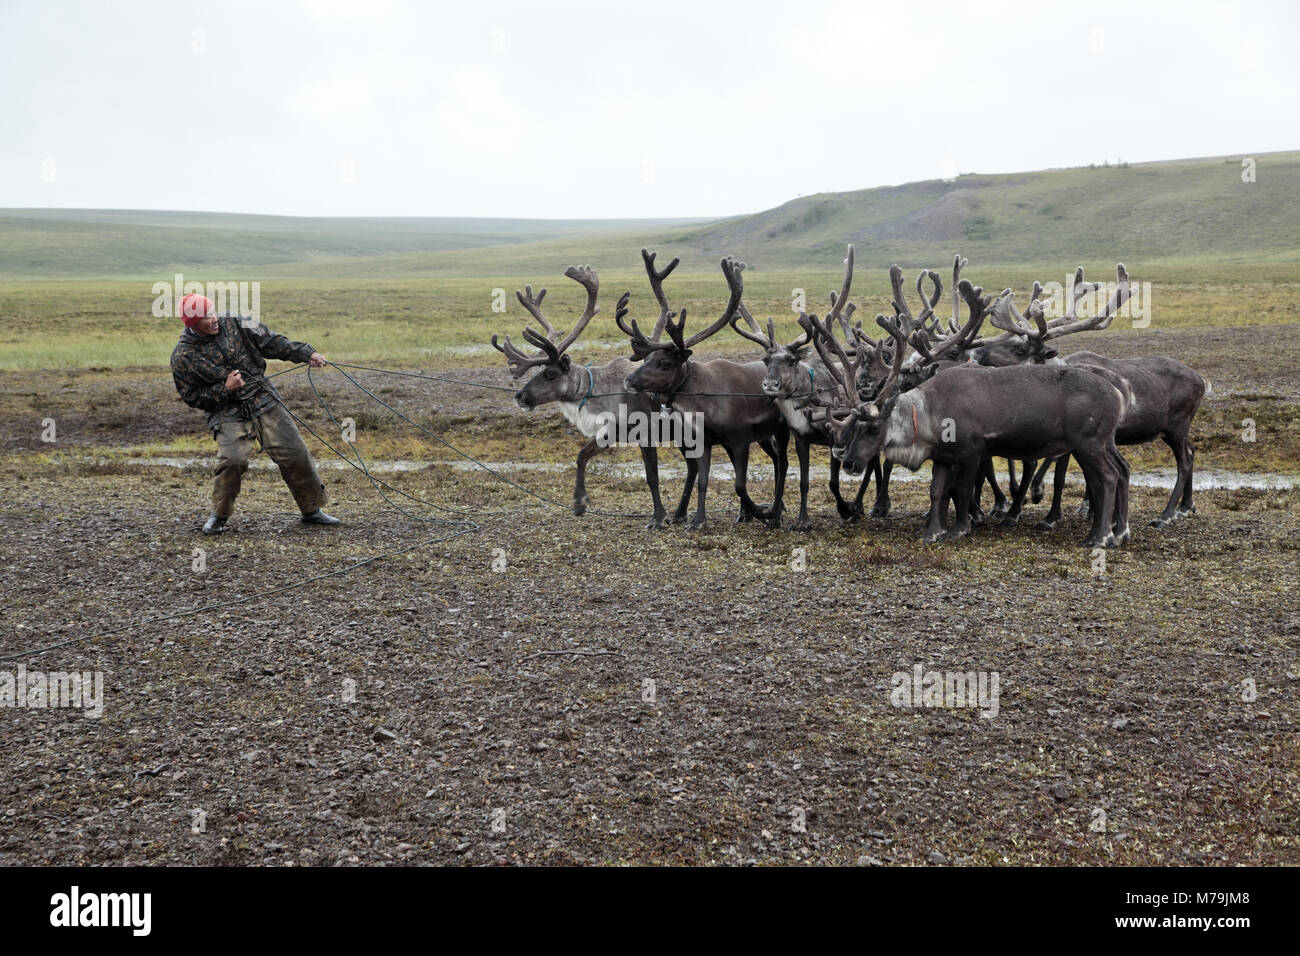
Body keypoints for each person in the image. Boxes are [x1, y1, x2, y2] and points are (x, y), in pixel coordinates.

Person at [170, 292, 341, 534]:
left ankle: (312, 510)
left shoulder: (238, 321)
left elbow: (272, 342)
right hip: (227, 411)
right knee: (233, 461)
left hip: (263, 399)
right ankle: (219, 515)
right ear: (193, 324)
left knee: (294, 453)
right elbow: (192, 397)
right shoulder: (182, 356)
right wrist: (224, 388)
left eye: (213, 311)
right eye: (206, 317)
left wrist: (306, 354)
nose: (214, 318)